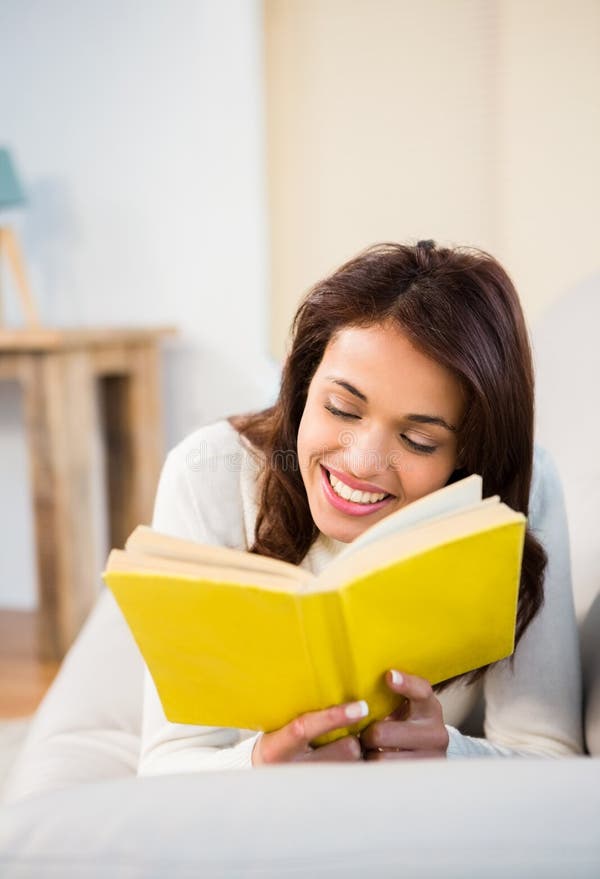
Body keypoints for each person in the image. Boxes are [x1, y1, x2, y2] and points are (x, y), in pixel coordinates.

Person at [138, 240, 583, 774]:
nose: (363, 463)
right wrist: (260, 763)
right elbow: (167, 763)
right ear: (303, 387)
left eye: (419, 440)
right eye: (342, 409)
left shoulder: (520, 492)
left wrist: (447, 751)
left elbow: (548, 754)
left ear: (468, 453)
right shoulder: (206, 471)